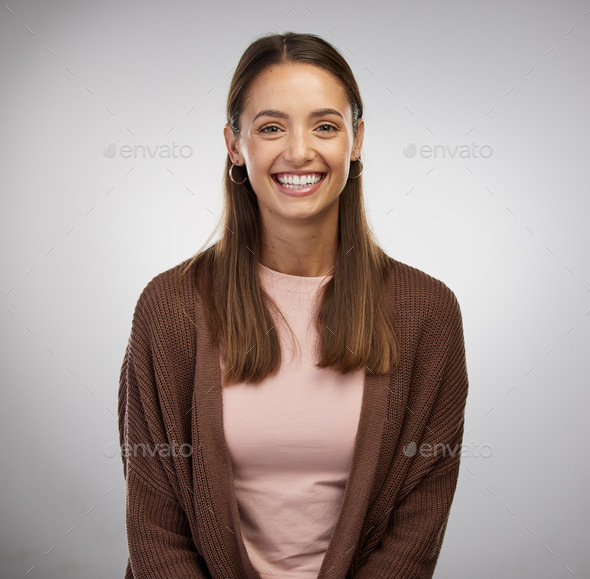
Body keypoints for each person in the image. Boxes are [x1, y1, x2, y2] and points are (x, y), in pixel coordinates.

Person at [118, 32, 469, 578]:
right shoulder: (170, 308)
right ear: (236, 145)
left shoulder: (427, 313)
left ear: (355, 141)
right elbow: (155, 527)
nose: (299, 151)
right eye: (272, 127)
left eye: (325, 125)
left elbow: (415, 529)